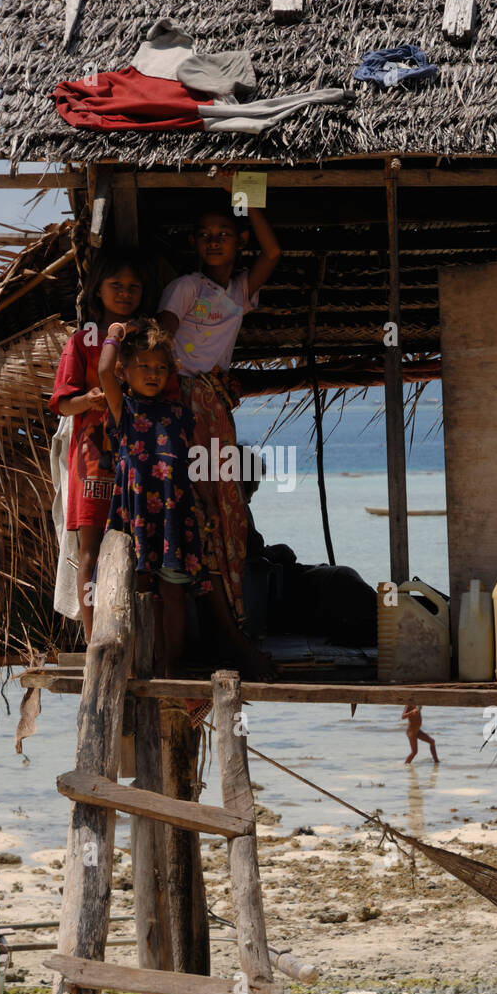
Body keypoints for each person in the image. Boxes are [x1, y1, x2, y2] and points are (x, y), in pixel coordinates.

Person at [157, 192, 280, 679]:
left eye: (223, 235)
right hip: (185, 405)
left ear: (239, 241)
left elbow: (273, 254)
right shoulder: (187, 287)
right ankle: (226, 638)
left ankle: (233, 630)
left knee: (224, 512)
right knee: (202, 510)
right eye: (206, 236)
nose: (214, 242)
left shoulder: (239, 293)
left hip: (214, 409)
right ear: (193, 243)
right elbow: (164, 332)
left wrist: (247, 200)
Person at [99, 318, 212, 676]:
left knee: (174, 591)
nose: (153, 374)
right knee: (136, 589)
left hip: (174, 516)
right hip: (135, 515)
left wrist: (206, 502)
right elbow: (103, 371)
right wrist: (115, 335)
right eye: (143, 366)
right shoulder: (125, 410)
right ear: (125, 371)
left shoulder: (180, 414)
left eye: (161, 368)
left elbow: (196, 462)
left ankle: (169, 666)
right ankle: (134, 663)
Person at [50, 249, 147, 639]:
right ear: (98, 290)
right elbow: (62, 402)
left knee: (140, 545)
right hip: (93, 457)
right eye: (116, 285)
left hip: (139, 455)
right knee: (89, 550)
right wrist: (89, 401)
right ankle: (94, 641)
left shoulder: (144, 338)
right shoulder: (82, 342)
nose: (125, 293)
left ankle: (137, 637)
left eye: (133, 287)